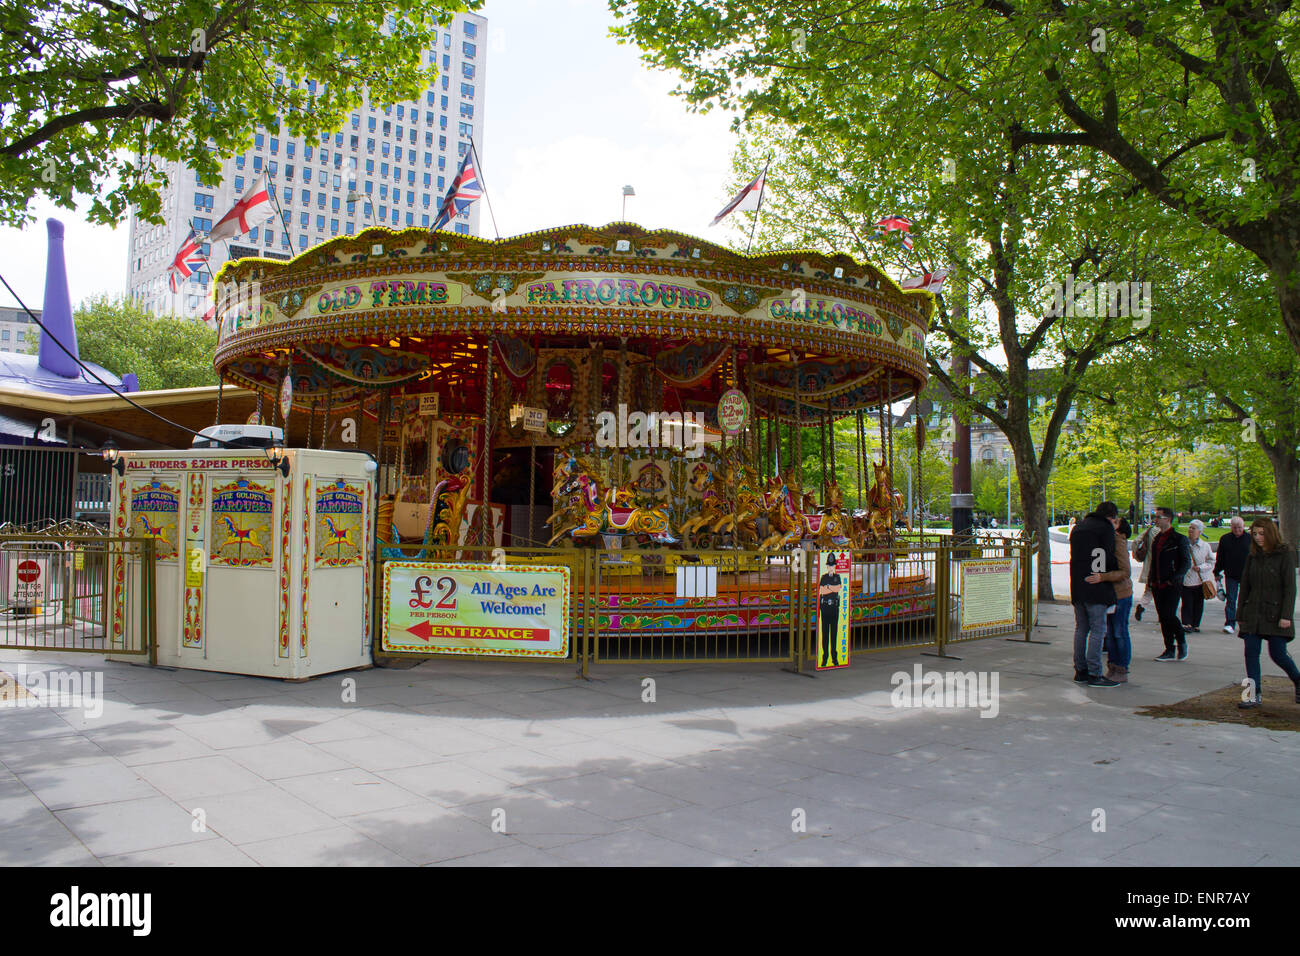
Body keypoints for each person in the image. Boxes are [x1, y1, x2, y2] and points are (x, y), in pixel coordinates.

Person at [1235, 518, 1298, 708]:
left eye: (1261, 533)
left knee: (1278, 654)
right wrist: (1239, 614)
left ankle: (1298, 680)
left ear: (1270, 533)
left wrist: (1286, 615)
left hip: (1276, 613)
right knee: (1251, 653)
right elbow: (1245, 586)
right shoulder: (1253, 556)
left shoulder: (1285, 554)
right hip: (1253, 612)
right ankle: (1253, 694)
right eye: (1254, 534)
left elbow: (1290, 588)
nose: (1258, 537)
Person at [1069, 501, 1121, 687]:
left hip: (1078, 584)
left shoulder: (1078, 527)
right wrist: (1108, 574)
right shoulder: (1104, 528)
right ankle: (1094, 672)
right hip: (1096, 584)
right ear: (1111, 516)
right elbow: (1105, 555)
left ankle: (1080, 670)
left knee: (1081, 628)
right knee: (1098, 629)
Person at [1088, 516, 1133, 682]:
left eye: (1114, 522)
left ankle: (1121, 668)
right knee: (1111, 631)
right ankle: (1113, 666)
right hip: (1110, 594)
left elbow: (1125, 571)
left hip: (1121, 593)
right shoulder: (1104, 541)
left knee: (1119, 631)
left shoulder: (1118, 542)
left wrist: (1104, 577)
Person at [1148, 506, 1193, 661]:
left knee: (1169, 614)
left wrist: (1175, 578)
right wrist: (1151, 580)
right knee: (1163, 617)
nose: (1155, 520)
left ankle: (1180, 640)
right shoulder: (1157, 539)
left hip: (1171, 584)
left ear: (1167, 519)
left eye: (1158, 517)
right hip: (1157, 584)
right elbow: (1153, 562)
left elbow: (1186, 562)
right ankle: (1169, 648)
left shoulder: (1179, 539)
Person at [1214, 516, 1250, 634]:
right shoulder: (1225, 539)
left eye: (1239, 527)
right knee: (1231, 599)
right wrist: (1217, 571)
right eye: (1234, 528)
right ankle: (1230, 623)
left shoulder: (1250, 539)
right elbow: (1220, 557)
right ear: (1231, 527)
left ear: (1243, 527)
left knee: (1246, 600)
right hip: (1231, 574)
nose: (1237, 530)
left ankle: (1245, 622)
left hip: (1247, 575)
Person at [1180, 519, 1215, 633]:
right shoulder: (1183, 544)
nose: (1190, 530)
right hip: (1186, 579)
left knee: (1198, 603)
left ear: (1199, 531)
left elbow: (1211, 561)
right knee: (1187, 603)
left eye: (1193, 528)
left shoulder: (1205, 546)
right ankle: (1186, 623)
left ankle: (1196, 624)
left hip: (1200, 579)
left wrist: (1201, 567)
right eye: (1190, 527)